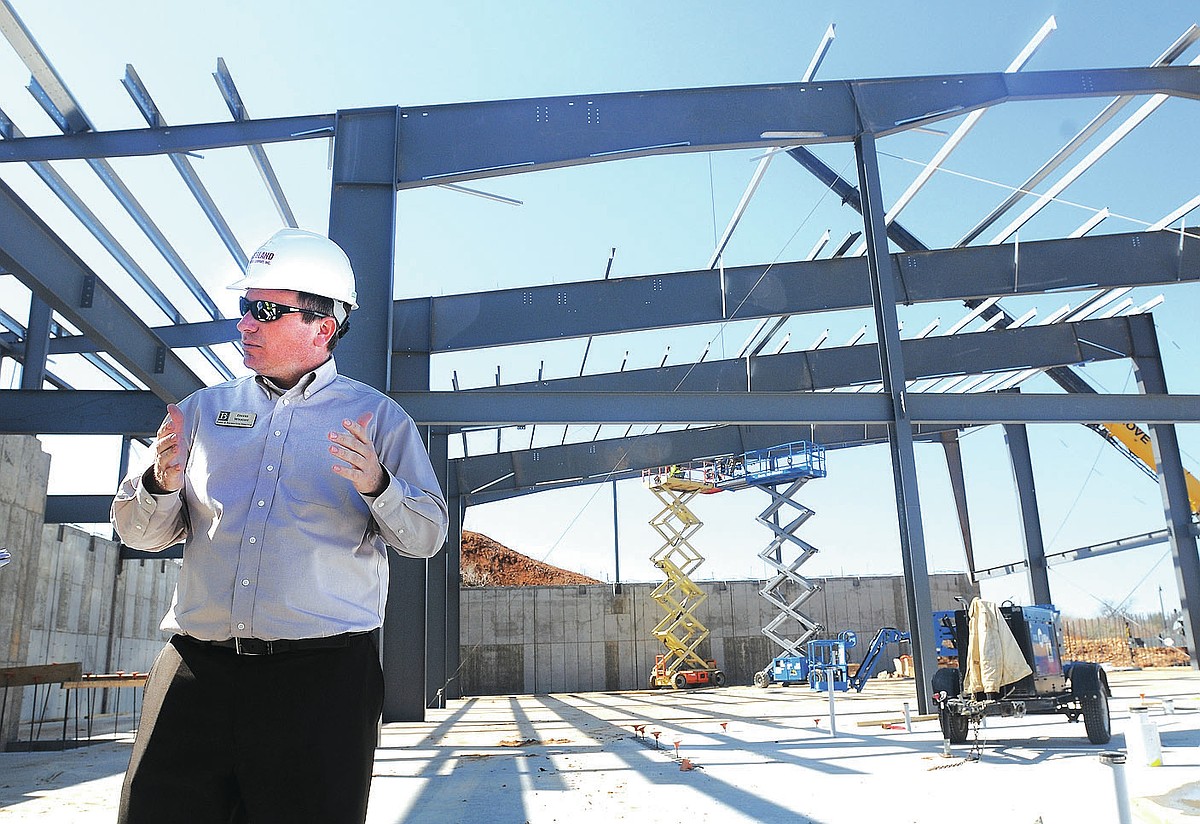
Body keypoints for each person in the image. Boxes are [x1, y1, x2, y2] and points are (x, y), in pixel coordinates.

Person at [111, 228, 449, 824]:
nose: (245, 323)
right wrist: (159, 485)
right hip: (197, 668)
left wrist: (379, 487)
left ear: (325, 324)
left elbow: (425, 537)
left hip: (321, 680)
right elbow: (137, 534)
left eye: (265, 310)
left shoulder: (379, 421)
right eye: (244, 307)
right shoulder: (200, 412)